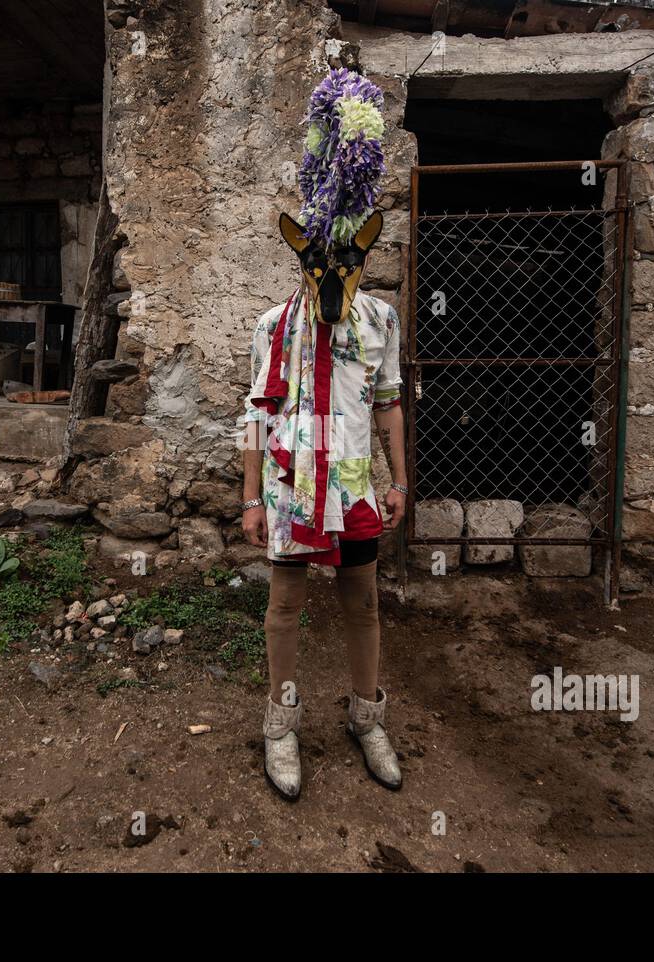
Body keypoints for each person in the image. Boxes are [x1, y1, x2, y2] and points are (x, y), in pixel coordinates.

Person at [239, 68, 405, 801]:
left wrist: (400, 479)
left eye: (348, 259)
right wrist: (249, 498)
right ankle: (281, 724)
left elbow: (391, 403)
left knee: (362, 602)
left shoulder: (379, 321)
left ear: (363, 254)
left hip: (355, 486)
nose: (334, 271)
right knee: (283, 604)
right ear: (299, 252)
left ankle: (367, 717)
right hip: (288, 487)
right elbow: (256, 413)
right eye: (320, 259)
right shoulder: (272, 328)